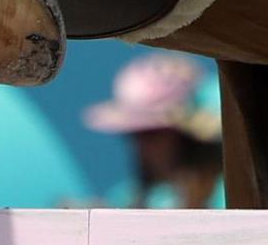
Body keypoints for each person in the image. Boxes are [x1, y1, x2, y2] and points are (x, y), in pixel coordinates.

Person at [78, 53, 224, 209]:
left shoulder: (233, 195)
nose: (141, 147)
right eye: (135, 135)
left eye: (151, 134)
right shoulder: (131, 196)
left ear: (189, 139)